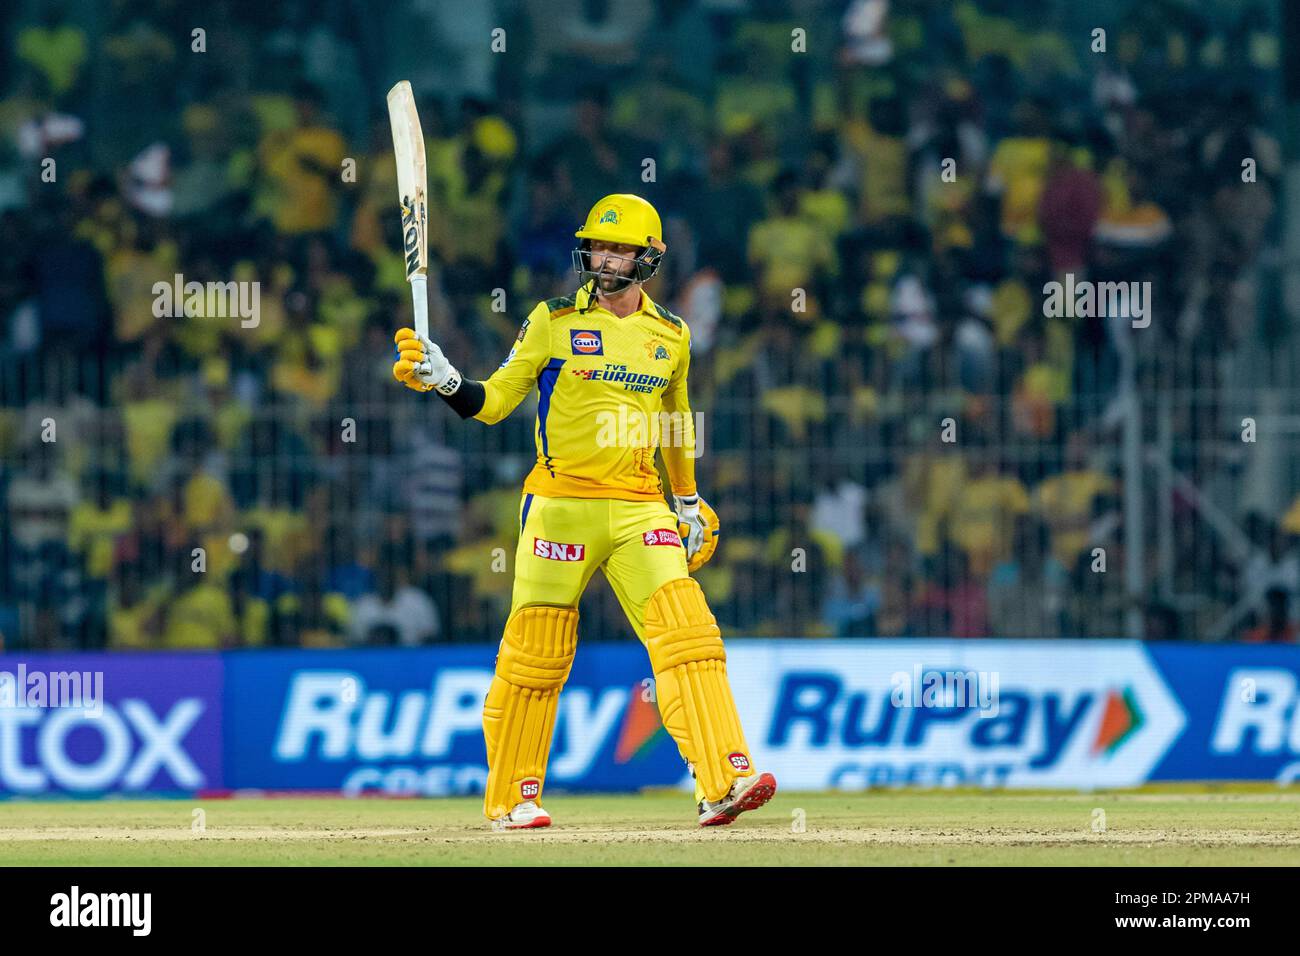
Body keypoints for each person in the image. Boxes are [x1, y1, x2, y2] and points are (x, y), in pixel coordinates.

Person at [393, 193, 776, 829]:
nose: (604, 258)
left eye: (619, 248)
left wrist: (686, 500)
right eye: (598, 246)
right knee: (537, 655)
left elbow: (677, 425)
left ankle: (723, 782)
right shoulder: (552, 320)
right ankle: (513, 799)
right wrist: (445, 379)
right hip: (559, 504)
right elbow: (492, 404)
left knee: (689, 633)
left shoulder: (672, 336)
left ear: (649, 258)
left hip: (639, 507)